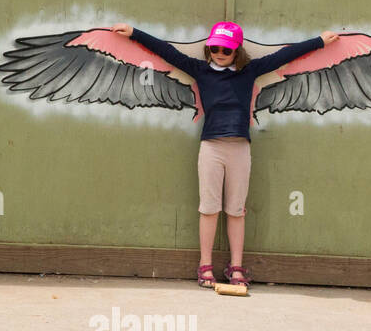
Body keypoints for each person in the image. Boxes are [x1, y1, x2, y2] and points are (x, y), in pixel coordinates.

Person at [109, 21, 338, 287]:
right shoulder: (200, 70)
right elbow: (166, 51)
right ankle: (204, 266)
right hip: (211, 148)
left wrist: (319, 41)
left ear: (236, 51)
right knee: (209, 209)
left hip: (240, 149)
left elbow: (284, 56)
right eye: (214, 48)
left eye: (226, 50)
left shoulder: (250, 71)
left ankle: (236, 267)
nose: (219, 53)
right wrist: (135, 33)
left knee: (236, 210)